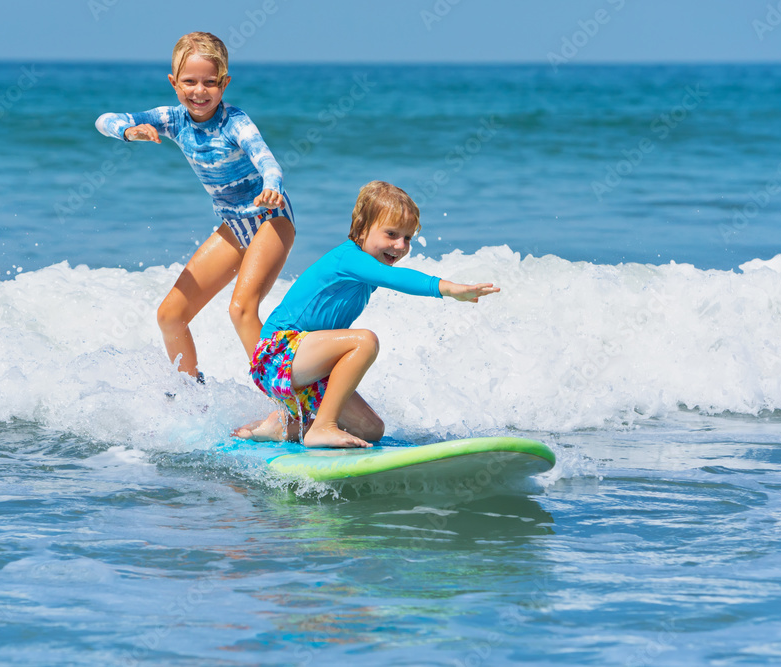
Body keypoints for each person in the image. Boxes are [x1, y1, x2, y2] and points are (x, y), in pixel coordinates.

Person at [236, 181, 500, 448]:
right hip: (277, 354)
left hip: (307, 364)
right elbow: (394, 277)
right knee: (364, 341)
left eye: (407, 238)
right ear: (362, 229)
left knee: (371, 429)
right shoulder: (349, 259)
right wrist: (448, 288)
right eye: (391, 234)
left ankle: (281, 426)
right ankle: (322, 428)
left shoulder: (367, 269)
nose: (400, 245)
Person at [95, 31, 294, 380]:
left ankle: (290, 402)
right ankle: (192, 401)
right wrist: (129, 132)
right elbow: (105, 120)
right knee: (170, 315)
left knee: (242, 310)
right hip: (235, 226)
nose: (199, 91)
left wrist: (272, 187)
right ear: (174, 83)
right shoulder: (173, 119)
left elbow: (267, 161)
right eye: (189, 81)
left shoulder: (235, 122)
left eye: (210, 82)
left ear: (225, 83)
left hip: (270, 219)